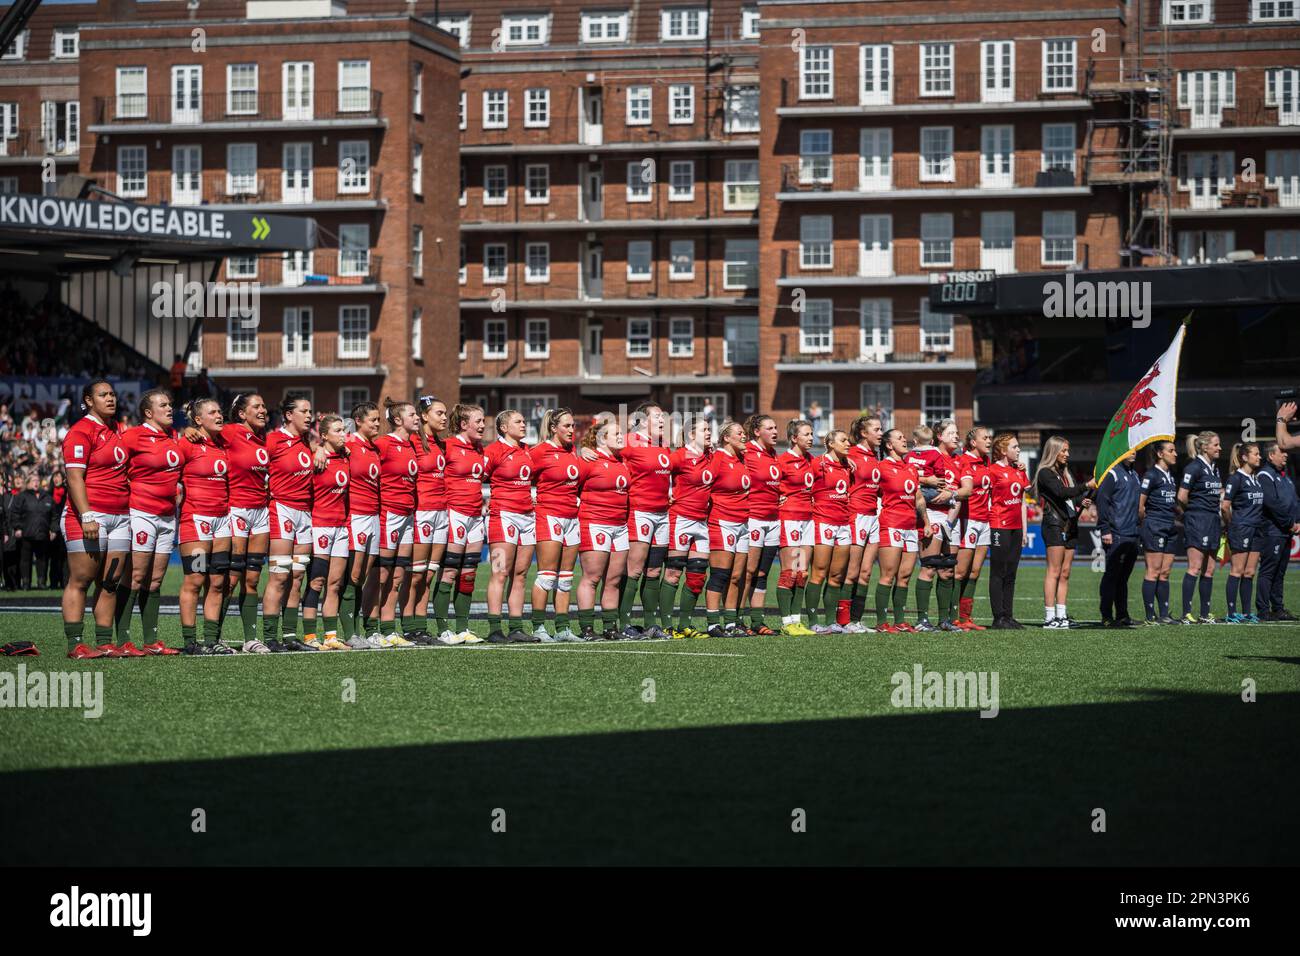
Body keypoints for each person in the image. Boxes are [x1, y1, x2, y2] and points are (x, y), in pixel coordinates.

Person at [61, 380, 137, 657]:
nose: (110, 399)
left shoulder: (117, 429)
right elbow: (74, 478)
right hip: (90, 516)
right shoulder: (80, 431)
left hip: (120, 517)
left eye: (113, 394)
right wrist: (87, 515)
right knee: (80, 579)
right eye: (103, 395)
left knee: (109, 582)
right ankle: (76, 644)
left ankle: (105, 643)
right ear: (88, 401)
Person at [117, 388, 183, 654]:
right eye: (163, 405)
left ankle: (151, 641)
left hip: (168, 515)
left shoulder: (175, 436)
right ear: (148, 412)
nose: (170, 409)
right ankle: (122, 639)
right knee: (135, 577)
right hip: (141, 512)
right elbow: (113, 466)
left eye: (171, 404)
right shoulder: (132, 436)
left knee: (155, 581)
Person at [175, 397, 233, 654]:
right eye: (212, 412)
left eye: (220, 411)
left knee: (218, 582)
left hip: (222, 523)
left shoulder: (224, 444)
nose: (219, 415)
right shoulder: (186, 444)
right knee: (195, 580)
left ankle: (211, 641)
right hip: (197, 522)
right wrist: (182, 431)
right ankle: (190, 642)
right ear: (198, 420)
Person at [262, 395, 319, 652]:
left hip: (305, 514)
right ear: (288, 415)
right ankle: (270, 637)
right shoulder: (273, 440)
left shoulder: (308, 442)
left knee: (297, 577)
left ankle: (289, 636)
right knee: (279, 576)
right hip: (282, 510)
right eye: (304, 411)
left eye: (311, 411)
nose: (309, 415)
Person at [217, 393, 271, 652]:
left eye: (263, 406)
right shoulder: (229, 432)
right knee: (232, 577)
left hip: (261, 513)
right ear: (241, 413)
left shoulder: (264, 439)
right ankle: (214, 637)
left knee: (253, 578)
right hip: (236, 509)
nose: (262, 410)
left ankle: (251, 638)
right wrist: (193, 432)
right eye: (256, 406)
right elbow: (201, 434)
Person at [616, 402, 673, 638]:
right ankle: (624, 624)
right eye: (657, 416)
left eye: (664, 417)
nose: (663, 420)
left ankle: (651, 625)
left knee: (653, 572)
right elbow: (605, 457)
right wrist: (587, 452)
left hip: (662, 514)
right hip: (640, 511)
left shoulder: (664, 446)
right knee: (635, 569)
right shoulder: (629, 442)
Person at [575, 415, 633, 640]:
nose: (621, 437)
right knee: (592, 577)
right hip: (595, 523)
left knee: (614, 579)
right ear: (601, 438)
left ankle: (610, 627)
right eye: (616, 434)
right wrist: (579, 451)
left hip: (619, 526)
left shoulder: (622, 461)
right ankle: (587, 629)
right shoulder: (589, 460)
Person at [484, 409, 539, 644]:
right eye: (518, 421)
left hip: (527, 518)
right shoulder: (493, 451)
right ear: (504, 427)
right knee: (500, 572)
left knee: (521, 574)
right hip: (503, 517)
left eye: (524, 420)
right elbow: (476, 477)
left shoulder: (528, 451)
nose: (524, 424)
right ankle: (495, 629)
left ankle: (516, 627)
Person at [529, 407, 583, 642]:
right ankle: (539, 628)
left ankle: (562, 629)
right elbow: (518, 474)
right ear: (553, 428)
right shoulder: (539, 451)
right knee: (547, 576)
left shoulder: (573, 451)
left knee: (566, 577)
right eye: (567, 426)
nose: (572, 430)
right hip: (549, 516)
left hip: (572, 517)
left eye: (573, 426)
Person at [369, 400, 419, 648]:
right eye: (412, 414)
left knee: (399, 574)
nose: (417, 417)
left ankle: (388, 629)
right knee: (381, 574)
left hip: (408, 517)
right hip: (388, 515)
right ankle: (370, 628)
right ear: (398, 420)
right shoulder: (383, 443)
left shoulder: (411, 445)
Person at [439, 403, 489, 645]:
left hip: (475, 517)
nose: (482, 425)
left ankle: (462, 628)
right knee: (449, 571)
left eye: (482, 421)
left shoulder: (480, 449)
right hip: (454, 514)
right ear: (463, 424)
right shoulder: (447, 446)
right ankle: (441, 628)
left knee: (469, 573)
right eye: (477, 421)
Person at [1033, 436, 1095, 629]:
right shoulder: (1045, 473)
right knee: (1054, 571)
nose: (1067, 454)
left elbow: (1068, 499)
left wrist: (1080, 502)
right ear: (1054, 451)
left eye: (1068, 450)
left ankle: (1062, 615)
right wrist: (1086, 486)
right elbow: (1060, 493)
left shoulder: (1065, 473)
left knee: (1065, 573)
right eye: (1064, 450)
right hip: (1054, 524)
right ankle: (1049, 617)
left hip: (1070, 525)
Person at [304, 415, 353, 650]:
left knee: (334, 584)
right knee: (316, 581)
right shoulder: (317, 459)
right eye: (338, 430)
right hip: (320, 526)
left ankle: (331, 637)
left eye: (344, 430)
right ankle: (309, 636)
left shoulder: (346, 456)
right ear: (324, 436)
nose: (343, 434)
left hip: (341, 527)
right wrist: (317, 449)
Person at [873, 428, 928, 632]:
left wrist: (927, 522)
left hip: (910, 526)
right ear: (889, 445)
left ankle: (900, 621)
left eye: (904, 437)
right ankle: (881, 622)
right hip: (891, 524)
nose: (904, 440)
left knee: (905, 575)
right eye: (899, 438)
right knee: (888, 574)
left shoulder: (911, 468)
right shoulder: (881, 467)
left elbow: (918, 497)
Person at [663, 416, 714, 638]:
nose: (710, 433)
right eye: (704, 430)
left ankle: (685, 625)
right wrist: (666, 492)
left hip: (702, 522)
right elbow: (658, 471)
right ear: (691, 435)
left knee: (697, 575)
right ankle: (666, 626)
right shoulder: (679, 456)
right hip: (681, 519)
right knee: (673, 572)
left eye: (710, 429)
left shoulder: (711, 456)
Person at [909, 421, 962, 631]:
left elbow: (963, 491)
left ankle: (944, 620)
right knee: (929, 567)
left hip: (950, 517)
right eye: (951, 433)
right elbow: (909, 478)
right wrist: (928, 481)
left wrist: (952, 494)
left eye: (957, 433)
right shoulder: (928, 456)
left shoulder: (958, 460)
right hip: (930, 512)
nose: (956, 437)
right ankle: (922, 620)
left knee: (947, 569)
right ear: (937, 438)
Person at [406, 396, 448, 644]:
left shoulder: (443, 444)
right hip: (422, 512)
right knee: (416, 575)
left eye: (445, 413)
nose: (444, 418)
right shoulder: (411, 443)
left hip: (441, 513)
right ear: (424, 416)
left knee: (430, 575)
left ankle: (420, 626)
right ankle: (408, 625)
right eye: (439, 413)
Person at [704, 420, 751, 637]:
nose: (744, 436)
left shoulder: (742, 458)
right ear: (726, 437)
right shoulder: (718, 458)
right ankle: (713, 623)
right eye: (739, 433)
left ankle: (731, 622)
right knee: (720, 575)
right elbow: (703, 484)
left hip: (743, 523)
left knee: (736, 576)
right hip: (722, 521)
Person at [345, 401, 385, 648]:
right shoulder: (348, 445)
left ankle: (361, 631)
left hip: (374, 516)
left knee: (364, 577)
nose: (378, 423)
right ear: (359, 421)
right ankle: (349, 633)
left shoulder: (374, 449)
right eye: (373, 420)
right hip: (356, 515)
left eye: (379, 419)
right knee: (354, 574)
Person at [807, 429, 853, 633]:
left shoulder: (848, 466)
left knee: (836, 575)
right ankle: (813, 621)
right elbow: (804, 489)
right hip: (823, 522)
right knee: (818, 573)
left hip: (843, 524)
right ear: (831, 444)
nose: (847, 443)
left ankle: (832, 621)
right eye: (843, 440)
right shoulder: (818, 463)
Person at [774, 419, 816, 635]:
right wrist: (778, 499)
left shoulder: (812, 461)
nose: (811, 438)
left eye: (812, 434)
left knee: (802, 573)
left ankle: (797, 621)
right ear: (793, 438)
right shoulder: (782, 461)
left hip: (808, 519)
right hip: (789, 518)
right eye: (806, 434)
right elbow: (769, 485)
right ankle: (786, 623)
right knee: (789, 572)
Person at [741, 414, 781, 635]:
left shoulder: (773, 454)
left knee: (763, 573)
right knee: (748, 571)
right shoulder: (746, 452)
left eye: (776, 427)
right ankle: (736, 620)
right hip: (753, 518)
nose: (775, 431)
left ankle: (757, 621)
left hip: (773, 520)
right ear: (757, 432)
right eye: (769, 428)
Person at [1177, 431, 1223, 624]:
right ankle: (1186, 613)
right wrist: (1196, 509)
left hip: (1213, 521)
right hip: (1198, 520)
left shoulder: (1215, 468)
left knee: (1210, 569)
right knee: (1194, 567)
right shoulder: (1193, 467)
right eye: (1216, 445)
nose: (1219, 448)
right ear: (1204, 447)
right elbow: (1181, 496)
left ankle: (1205, 613)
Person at [844, 414, 884, 633]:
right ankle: (843, 620)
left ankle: (856, 620)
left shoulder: (874, 456)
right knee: (851, 571)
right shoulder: (851, 453)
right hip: (856, 515)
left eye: (880, 430)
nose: (880, 434)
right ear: (863, 433)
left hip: (873, 516)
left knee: (866, 572)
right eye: (876, 430)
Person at [953, 427, 993, 630]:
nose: (989, 441)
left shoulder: (986, 461)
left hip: (984, 522)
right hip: (967, 520)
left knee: (975, 571)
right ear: (973, 442)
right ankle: (952, 617)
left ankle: (966, 617)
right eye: (985, 438)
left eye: (989, 438)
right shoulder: (964, 461)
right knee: (960, 572)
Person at [986, 432, 1028, 630]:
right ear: (1003, 450)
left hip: (1016, 527)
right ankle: (998, 617)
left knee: (1011, 572)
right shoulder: (992, 471)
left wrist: (1024, 530)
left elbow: (1022, 502)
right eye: (1015, 446)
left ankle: (1009, 616)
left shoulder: (1019, 471)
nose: (1018, 449)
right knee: (998, 571)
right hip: (998, 525)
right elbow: (986, 497)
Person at [1095, 450, 1140, 628]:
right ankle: (1106, 615)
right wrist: (1105, 529)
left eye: (1135, 449)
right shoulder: (1112, 473)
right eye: (1129, 449)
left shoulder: (1135, 474)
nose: (1133, 452)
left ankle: (1122, 614)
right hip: (1117, 533)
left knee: (1123, 578)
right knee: (1112, 576)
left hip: (1132, 533)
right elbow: (1102, 500)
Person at [1138, 440, 1180, 625]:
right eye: (1171, 450)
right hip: (1155, 526)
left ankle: (1164, 614)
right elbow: (1140, 505)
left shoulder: (1170, 475)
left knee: (1165, 572)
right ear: (1160, 454)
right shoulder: (1151, 475)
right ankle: (1150, 615)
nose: (1175, 453)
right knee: (1153, 571)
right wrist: (1148, 522)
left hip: (1170, 526)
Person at [1221, 442, 1264, 624]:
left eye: (1259, 454)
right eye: (1255, 454)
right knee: (1237, 571)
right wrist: (1233, 525)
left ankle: (1246, 612)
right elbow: (1225, 507)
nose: (1259, 457)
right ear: (1244, 457)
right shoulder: (1236, 478)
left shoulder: (1256, 478)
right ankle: (1232, 613)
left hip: (1256, 528)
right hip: (1242, 528)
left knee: (1249, 572)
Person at [1256, 441, 1299, 621]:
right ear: (1271, 455)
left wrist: (1297, 521)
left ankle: (1278, 608)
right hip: (1273, 531)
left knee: (1280, 571)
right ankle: (1264, 610)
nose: (1286, 455)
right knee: (1268, 571)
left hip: (1286, 530)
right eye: (1281, 452)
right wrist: (1290, 523)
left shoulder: (1285, 476)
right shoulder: (1265, 475)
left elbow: (1294, 500)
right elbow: (1272, 503)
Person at [12, 474, 54, 590]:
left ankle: (42, 583)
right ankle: (26, 583)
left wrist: (53, 529)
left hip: (42, 534)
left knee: (42, 560)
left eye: (37, 480)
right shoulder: (22, 496)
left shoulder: (46, 497)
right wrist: (18, 528)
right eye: (33, 480)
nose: (36, 482)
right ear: (28, 482)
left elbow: (54, 515)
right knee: (25, 560)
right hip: (27, 534)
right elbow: (15, 513)